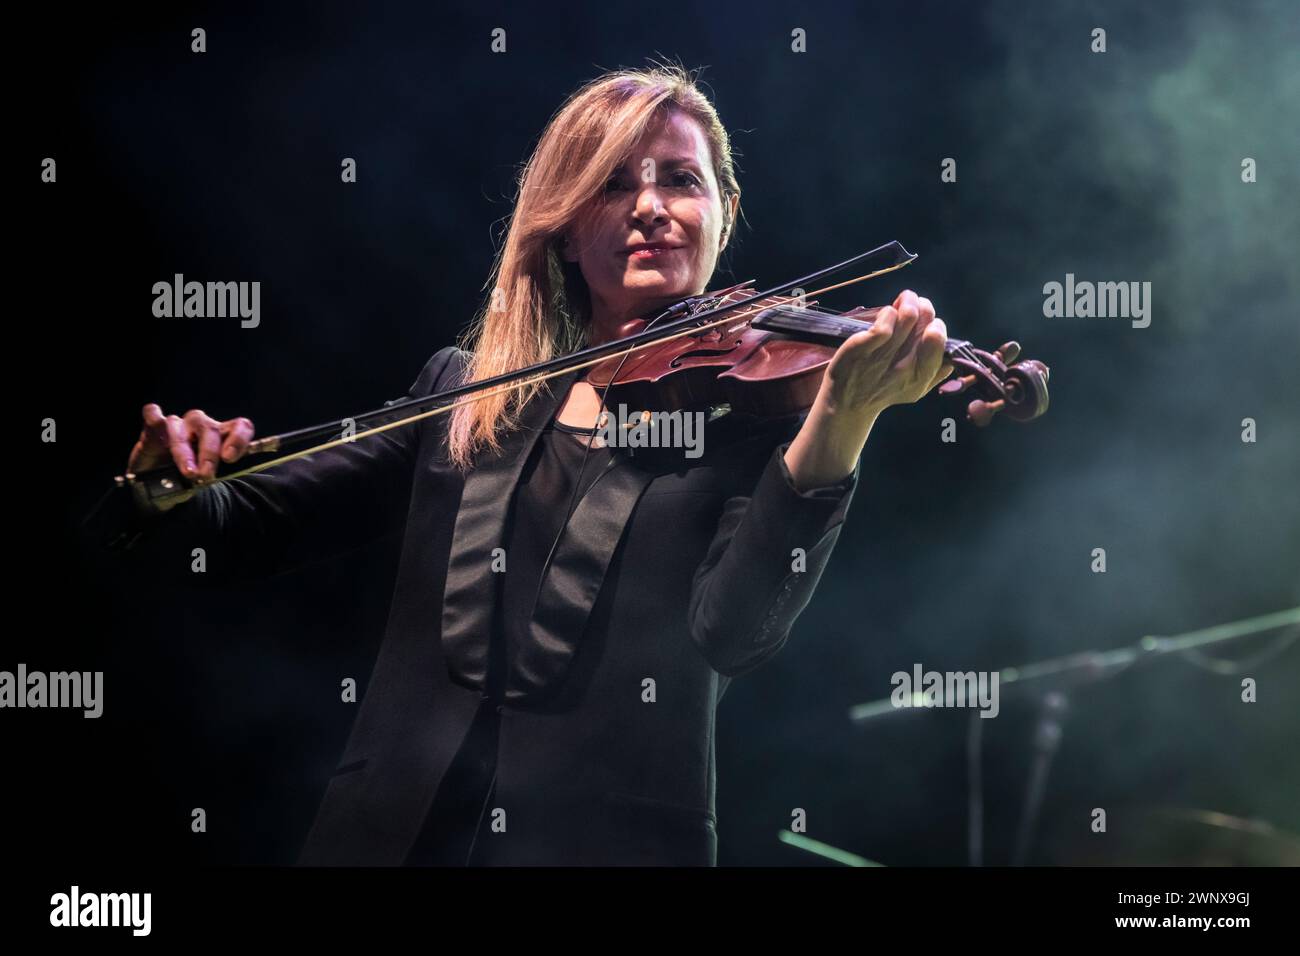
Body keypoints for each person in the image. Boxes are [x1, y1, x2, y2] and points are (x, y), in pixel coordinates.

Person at [87, 63, 951, 866]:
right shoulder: (465, 396)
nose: (650, 205)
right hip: (390, 839)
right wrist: (162, 495)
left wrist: (842, 419)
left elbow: (734, 631)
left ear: (723, 206)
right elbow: (241, 534)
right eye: (614, 183)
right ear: (567, 229)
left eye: (680, 180)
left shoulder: (758, 432)